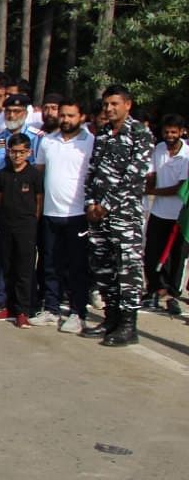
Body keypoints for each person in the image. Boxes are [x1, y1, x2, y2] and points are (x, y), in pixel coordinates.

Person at [81, 85, 155, 346]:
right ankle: (111, 316)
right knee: (103, 268)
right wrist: (90, 202)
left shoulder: (140, 133)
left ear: (128, 105)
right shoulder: (102, 133)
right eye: (106, 104)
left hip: (124, 215)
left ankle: (128, 325)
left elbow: (134, 177)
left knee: (127, 269)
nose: (109, 109)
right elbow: (93, 171)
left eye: (114, 104)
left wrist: (107, 205)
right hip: (98, 214)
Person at [36, 99, 94, 333]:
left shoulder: (90, 142)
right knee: (50, 264)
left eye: (71, 115)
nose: (66, 120)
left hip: (77, 214)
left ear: (81, 117)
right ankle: (51, 308)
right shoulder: (48, 141)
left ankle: (78, 312)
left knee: (77, 267)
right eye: (63, 115)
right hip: (50, 213)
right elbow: (39, 173)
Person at [0, 94, 43, 313]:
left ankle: (26, 306)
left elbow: (38, 176)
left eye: (17, 112)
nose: (12, 115)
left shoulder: (37, 137)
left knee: (25, 263)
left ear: (26, 113)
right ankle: (2, 301)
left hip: (26, 207)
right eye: (8, 111)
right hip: (4, 202)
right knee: (3, 259)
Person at [0, 134, 44, 328]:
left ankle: (23, 310)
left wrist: (32, 221)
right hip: (7, 225)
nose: (17, 156)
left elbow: (39, 200)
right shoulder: (3, 174)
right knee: (8, 266)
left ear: (29, 152)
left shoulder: (33, 175)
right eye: (13, 152)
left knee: (24, 269)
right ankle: (10, 308)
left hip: (26, 226)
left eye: (21, 152)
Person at [142, 114, 187, 315]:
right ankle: (154, 290)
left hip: (180, 216)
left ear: (182, 132)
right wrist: (149, 187)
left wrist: (152, 192)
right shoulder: (158, 149)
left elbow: (180, 188)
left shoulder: (187, 154)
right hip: (158, 212)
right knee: (152, 254)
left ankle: (171, 296)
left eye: (174, 132)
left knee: (176, 257)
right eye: (166, 131)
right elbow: (151, 175)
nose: (170, 135)